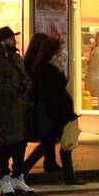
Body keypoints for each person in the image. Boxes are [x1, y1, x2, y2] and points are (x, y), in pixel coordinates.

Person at [23, 37, 85, 185]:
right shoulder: (48, 68)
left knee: (58, 143)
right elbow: (55, 92)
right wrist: (65, 112)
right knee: (58, 143)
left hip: (54, 110)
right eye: (59, 49)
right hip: (55, 111)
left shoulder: (45, 67)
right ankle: (23, 170)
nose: (61, 52)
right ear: (53, 51)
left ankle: (69, 175)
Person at [0, 26, 35, 196]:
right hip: (5, 111)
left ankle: (18, 177)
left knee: (20, 145)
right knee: (6, 146)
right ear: (3, 40)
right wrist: (16, 88)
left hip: (20, 109)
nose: (14, 40)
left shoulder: (16, 58)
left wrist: (27, 85)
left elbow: (24, 76)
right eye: (11, 38)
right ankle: (5, 178)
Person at [20, 31, 60, 172]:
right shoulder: (39, 65)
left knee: (49, 137)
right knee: (49, 137)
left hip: (38, 104)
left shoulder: (29, 62)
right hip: (41, 104)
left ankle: (50, 162)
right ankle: (26, 166)